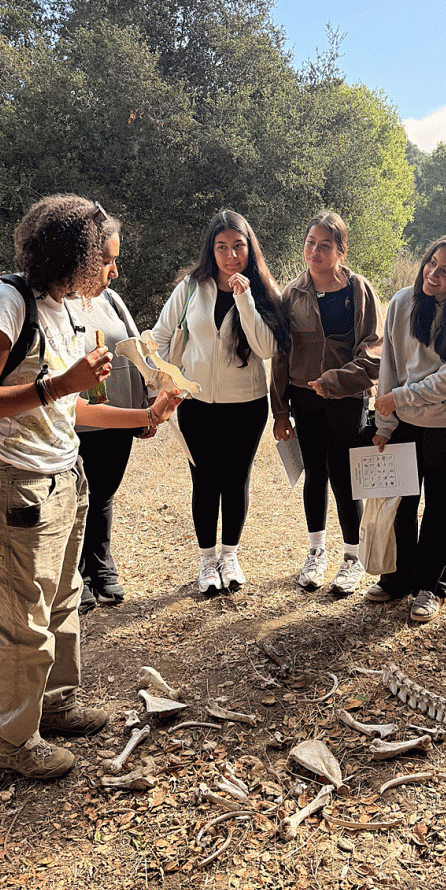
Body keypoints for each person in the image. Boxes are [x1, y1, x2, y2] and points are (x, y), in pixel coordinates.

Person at [0, 195, 182, 779]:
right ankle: (9, 740)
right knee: (19, 619)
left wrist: (144, 417)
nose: (114, 272)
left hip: (66, 477)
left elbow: (73, 407)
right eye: (107, 259)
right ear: (75, 254)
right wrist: (60, 386)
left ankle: (53, 706)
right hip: (16, 486)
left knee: (61, 601)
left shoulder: (74, 309)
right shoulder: (4, 305)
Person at [152, 209, 289, 594]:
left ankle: (230, 555)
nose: (231, 256)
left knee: (236, 479)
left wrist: (244, 300)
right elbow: (162, 336)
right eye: (222, 247)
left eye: (238, 247)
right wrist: (167, 382)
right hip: (196, 403)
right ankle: (206, 560)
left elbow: (266, 348)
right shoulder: (192, 287)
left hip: (245, 405)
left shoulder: (262, 291)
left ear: (250, 249)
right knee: (204, 481)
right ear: (211, 250)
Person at [366, 231, 446, 622]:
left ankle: (431, 586)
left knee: (437, 505)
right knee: (403, 501)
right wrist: (385, 423)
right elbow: (388, 364)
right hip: (403, 423)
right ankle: (398, 578)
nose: (433, 275)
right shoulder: (403, 302)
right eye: (431, 264)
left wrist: (400, 398)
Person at [271, 211, 383, 595]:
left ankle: (352, 557)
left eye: (325, 245)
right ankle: (316, 552)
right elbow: (281, 356)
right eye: (310, 243)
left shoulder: (358, 290)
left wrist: (336, 380)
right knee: (314, 474)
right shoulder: (291, 294)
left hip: (346, 398)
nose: (315, 251)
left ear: (340, 249)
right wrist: (280, 411)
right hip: (304, 399)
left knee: (345, 477)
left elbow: (374, 351)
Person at [72, 256, 152, 614]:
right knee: (77, 499)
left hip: (120, 415)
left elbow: (135, 349)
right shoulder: (58, 303)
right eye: (106, 261)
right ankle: (78, 574)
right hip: (77, 420)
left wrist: (146, 403)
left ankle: (101, 564)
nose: (115, 270)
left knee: (104, 492)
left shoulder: (112, 300)